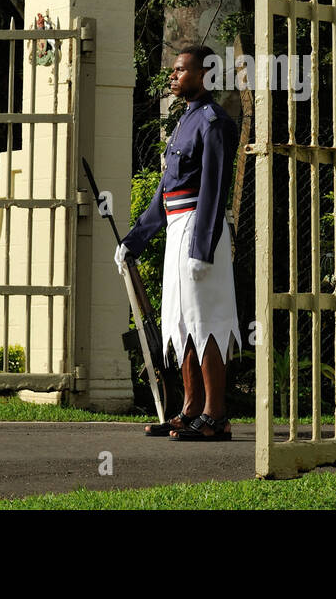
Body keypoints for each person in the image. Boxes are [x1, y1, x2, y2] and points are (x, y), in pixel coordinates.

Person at [115, 45, 240, 440]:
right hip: (176, 226)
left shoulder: (213, 121)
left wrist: (202, 248)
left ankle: (215, 416)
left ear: (204, 74)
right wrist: (134, 240)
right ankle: (189, 410)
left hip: (200, 230)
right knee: (180, 323)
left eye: (180, 70)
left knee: (208, 324)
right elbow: (165, 192)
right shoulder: (185, 120)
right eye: (173, 70)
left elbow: (214, 189)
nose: (173, 76)